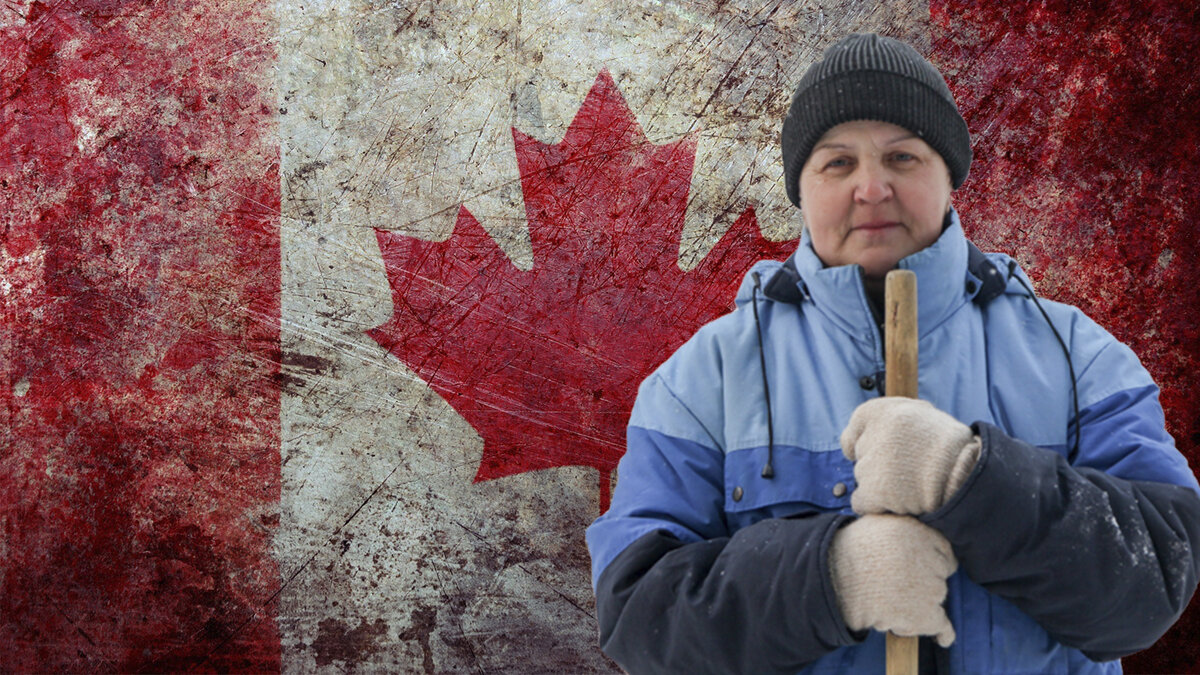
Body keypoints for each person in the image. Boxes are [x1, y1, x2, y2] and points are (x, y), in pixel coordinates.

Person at [585, 32, 1200, 674]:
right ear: (802, 189)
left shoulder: (1080, 360)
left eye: (902, 158)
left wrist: (971, 479)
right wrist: (831, 578)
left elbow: (1154, 584)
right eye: (838, 162)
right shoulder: (700, 382)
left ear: (949, 179)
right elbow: (638, 616)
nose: (872, 188)